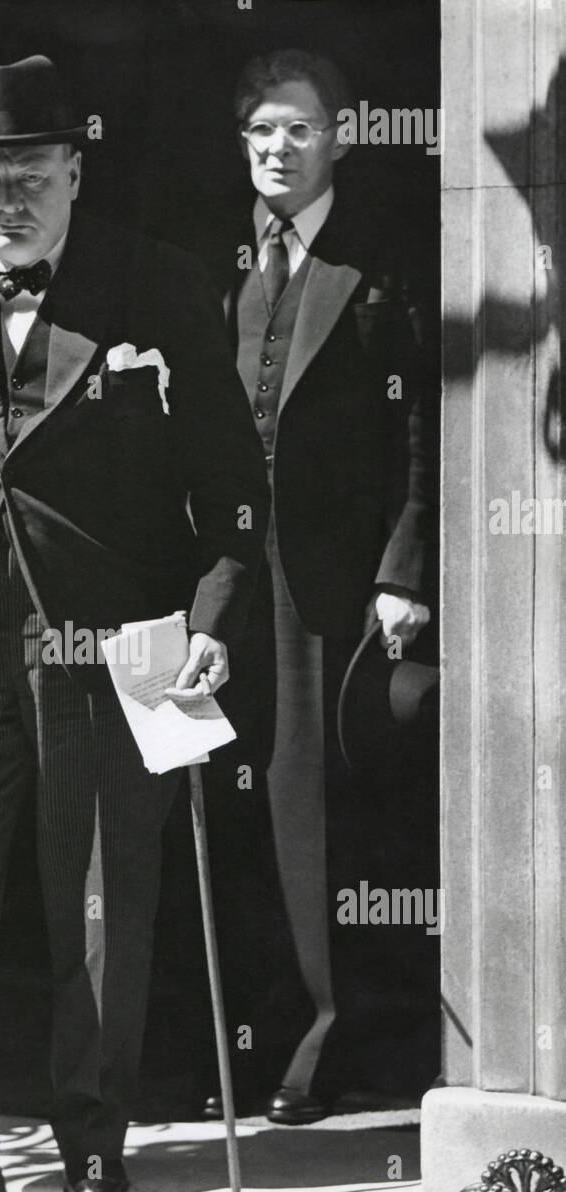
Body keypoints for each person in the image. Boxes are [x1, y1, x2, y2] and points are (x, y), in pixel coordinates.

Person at [0, 54, 269, 1192]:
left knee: (98, 900)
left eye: (30, 174)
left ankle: (92, 1138)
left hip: (116, 638)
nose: (7, 201)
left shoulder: (157, 284)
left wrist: (208, 624)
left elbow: (233, 491)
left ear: (74, 170)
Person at [222, 48, 438, 1125]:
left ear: (340, 138)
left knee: (317, 817)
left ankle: (328, 1041)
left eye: (298, 129)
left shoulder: (381, 260)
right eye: (260, 130)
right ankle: (245, 1034)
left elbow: (422, 428)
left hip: (336, 589)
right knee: (239, 806)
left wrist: (404, 570)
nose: (276, 147)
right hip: (231, 583)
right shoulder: (226, 263)